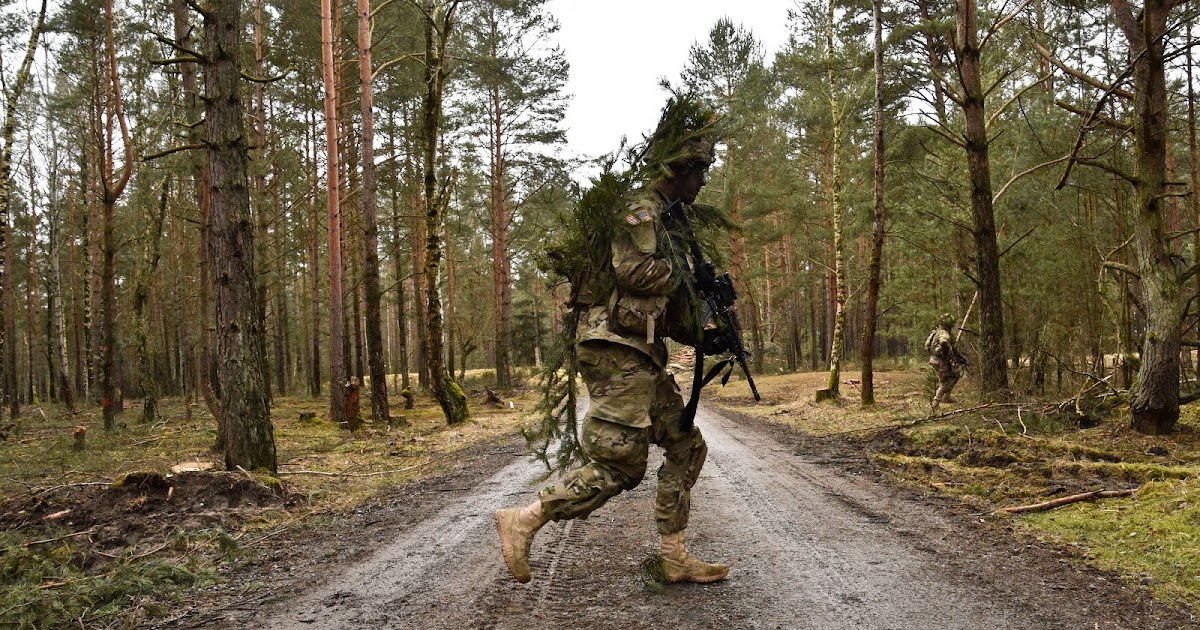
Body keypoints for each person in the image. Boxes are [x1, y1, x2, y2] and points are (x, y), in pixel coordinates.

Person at [494, 98, 729, 585]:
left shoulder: (667, 220)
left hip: (637, 349)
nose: (704, 181)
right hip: (615, 350)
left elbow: (653, 308)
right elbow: (636, 272)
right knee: (621, 466)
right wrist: (689, 278)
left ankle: (674, 555)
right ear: (682, 167)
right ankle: (525, 519)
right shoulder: (641, 210)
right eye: (701, 170)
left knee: (686, 445)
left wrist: (704, 328)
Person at [926, 313, 965, 412]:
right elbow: (943, 342)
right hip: (940, 361)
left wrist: (958, 357)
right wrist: (949, 351)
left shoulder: (937, 332)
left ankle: (946, 397)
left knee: (955, 375)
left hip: (935, 359)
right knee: (945, 382)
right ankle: (935, 404)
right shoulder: (944, 333)